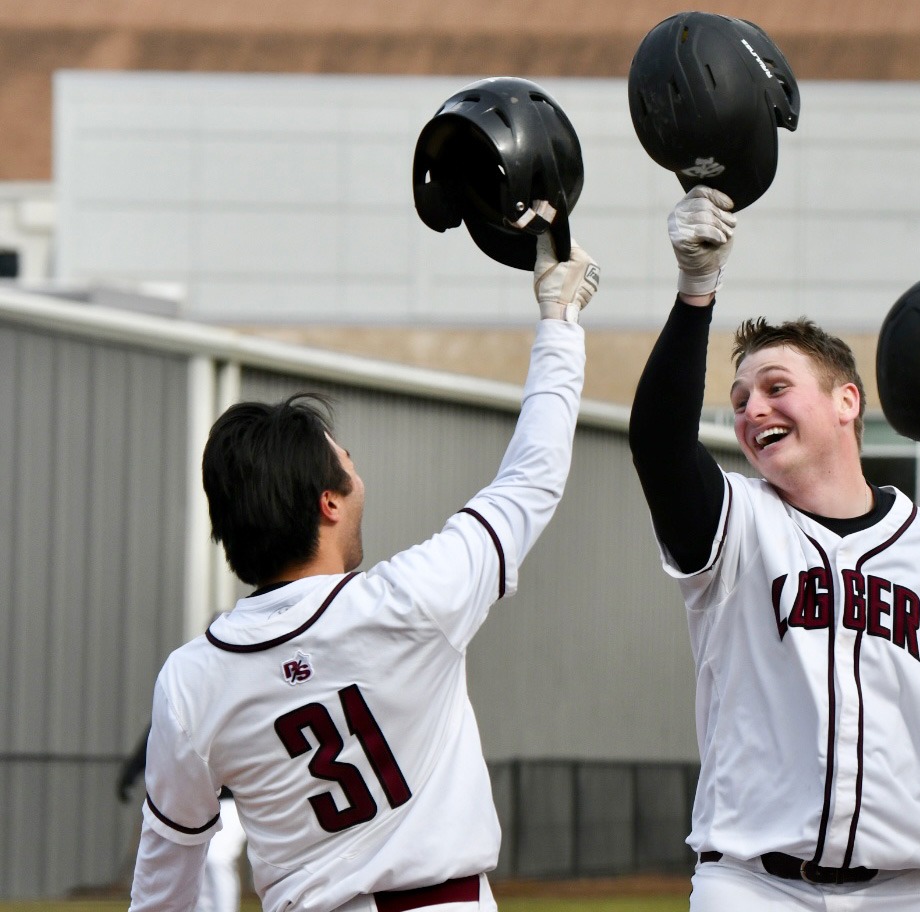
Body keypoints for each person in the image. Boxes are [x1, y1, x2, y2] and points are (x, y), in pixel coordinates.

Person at [628, 186, 920, 911]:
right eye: (739, 400)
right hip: (754, 886)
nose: (753, 408)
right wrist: (696, 289)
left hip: (916, 891)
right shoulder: (736, 524)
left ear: (847, 402)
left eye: (776, 387)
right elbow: (659, 444)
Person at [128, 240, 601, 912]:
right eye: (348, 465)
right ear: (328, 502)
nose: (358, 479)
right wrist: (559, 321)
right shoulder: (410, 599)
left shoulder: (190, 680)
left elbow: (164, 881)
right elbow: (533, 476)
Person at [120, 724, 247, 912]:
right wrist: (130, 773)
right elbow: (159, 730)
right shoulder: (183, 706)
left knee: (217, 858)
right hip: (196, 800)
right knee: (197, 864)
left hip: (233, 799)